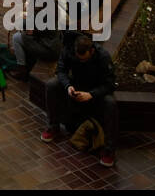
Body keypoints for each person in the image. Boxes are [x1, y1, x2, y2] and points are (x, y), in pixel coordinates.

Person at [41, 32, 118, 167]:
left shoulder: (103, 56)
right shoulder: (68, 50)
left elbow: (110, 84)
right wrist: (68, 86)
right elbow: (61, 70)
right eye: (79, 59)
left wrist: (91, 94)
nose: (82, 61)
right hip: (76, 84)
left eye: (85, 59)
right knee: (51, 85)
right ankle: (53, 126)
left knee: (110, 103)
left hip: (96, 89)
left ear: (91, 51)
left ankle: (109, 149)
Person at [9, 0, 65, 81]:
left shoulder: (39, 9)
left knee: (17, 37)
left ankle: (22, 69)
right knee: (25, 34)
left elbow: (22, 24)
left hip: (49, 49)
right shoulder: (50, 2)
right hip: (54, 43)